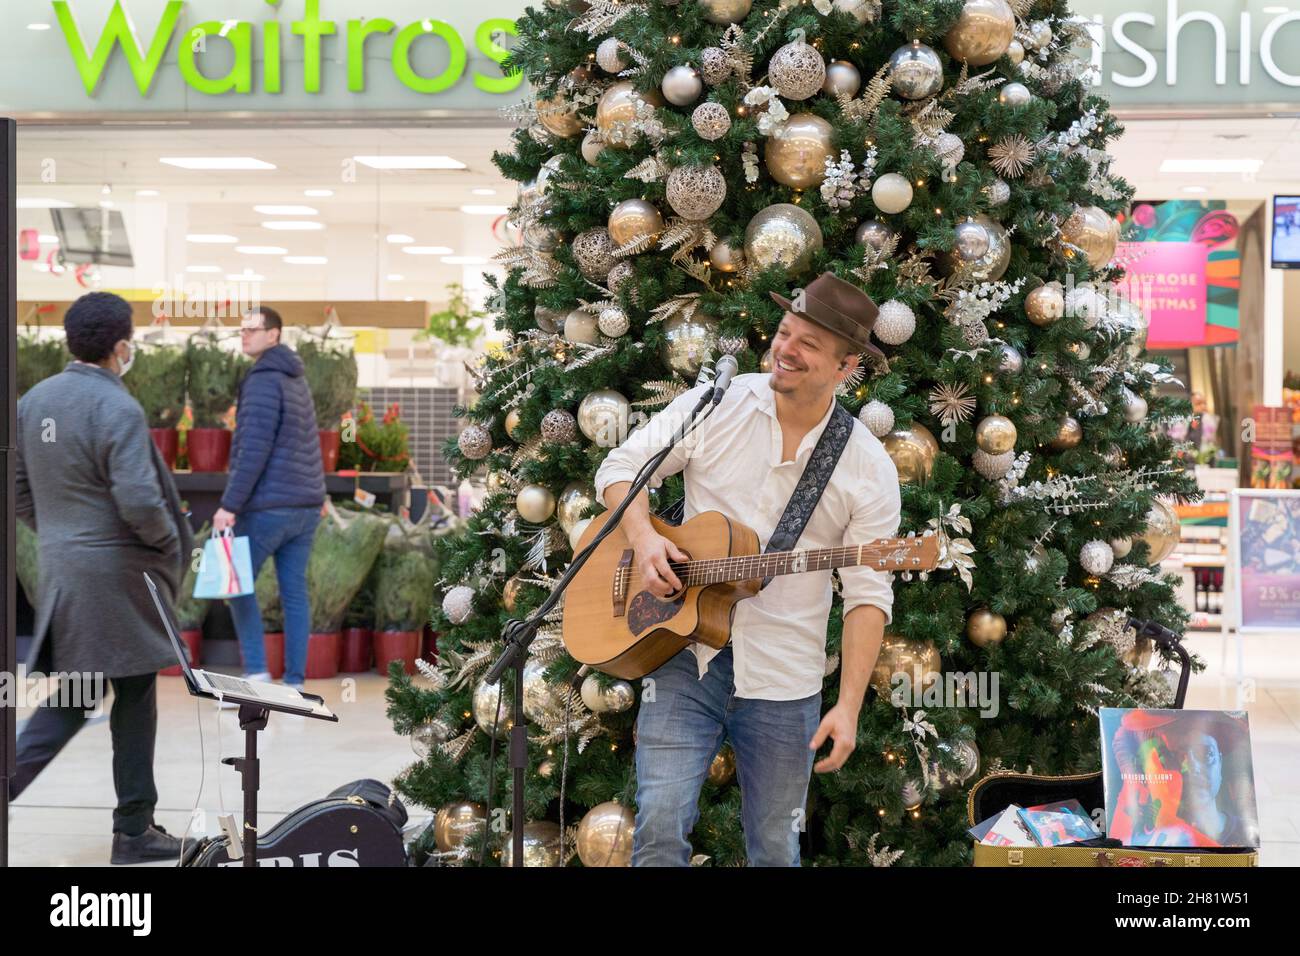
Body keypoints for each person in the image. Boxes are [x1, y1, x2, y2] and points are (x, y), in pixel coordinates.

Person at [594, 271, 902, 866]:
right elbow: (621, 467)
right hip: (683, 654)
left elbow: (868, 594)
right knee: (658, 827)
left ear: (845, 369)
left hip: (786, 680)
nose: (785, 349)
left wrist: (850, 707)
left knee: (776, 849)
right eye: (786, 332)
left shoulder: (866, 464)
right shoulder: (718, 404)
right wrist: (644, 539)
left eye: (808, 344)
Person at [12, 291, 194, 864]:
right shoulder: (116, 407)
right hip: (118, 579)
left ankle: (135, 826)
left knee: (89, 696)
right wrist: (167, 540)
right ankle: (134, 831)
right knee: (114, 699)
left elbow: (18, 491)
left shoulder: (33, 402)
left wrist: (65, 539)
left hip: (65, 574)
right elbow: (139, 499)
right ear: (121, 345)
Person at [212, 306, 325, 690]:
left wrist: (229, 505)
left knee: (237, 584)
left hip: (268, 506)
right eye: (241, 329)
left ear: (274, 334)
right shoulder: (296, 378)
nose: (244, 335)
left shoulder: (262, 380)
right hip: (305, 507)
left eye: (252, 329)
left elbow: (253, 450)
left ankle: (257, 673)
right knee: (294, 593)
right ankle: (294, 682)